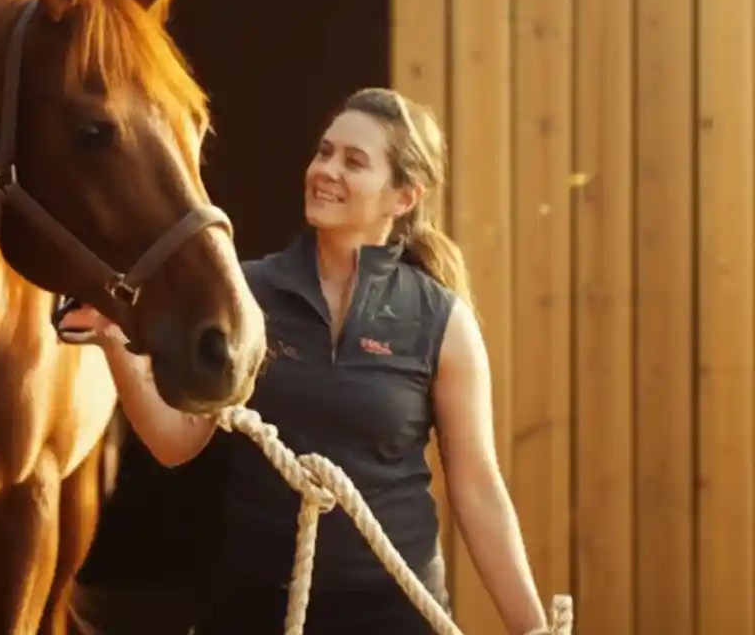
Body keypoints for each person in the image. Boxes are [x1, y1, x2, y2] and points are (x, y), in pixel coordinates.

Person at [62, 87, 549, 634]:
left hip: (395, 615)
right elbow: (177, 444)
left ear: (402, 198)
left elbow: (477, 486)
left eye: (354, 161)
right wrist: (113, 345)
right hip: (255, 611)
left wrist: (532, 628)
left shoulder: (442, 320)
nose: (327, 170)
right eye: (324, 152)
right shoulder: (249, 295)